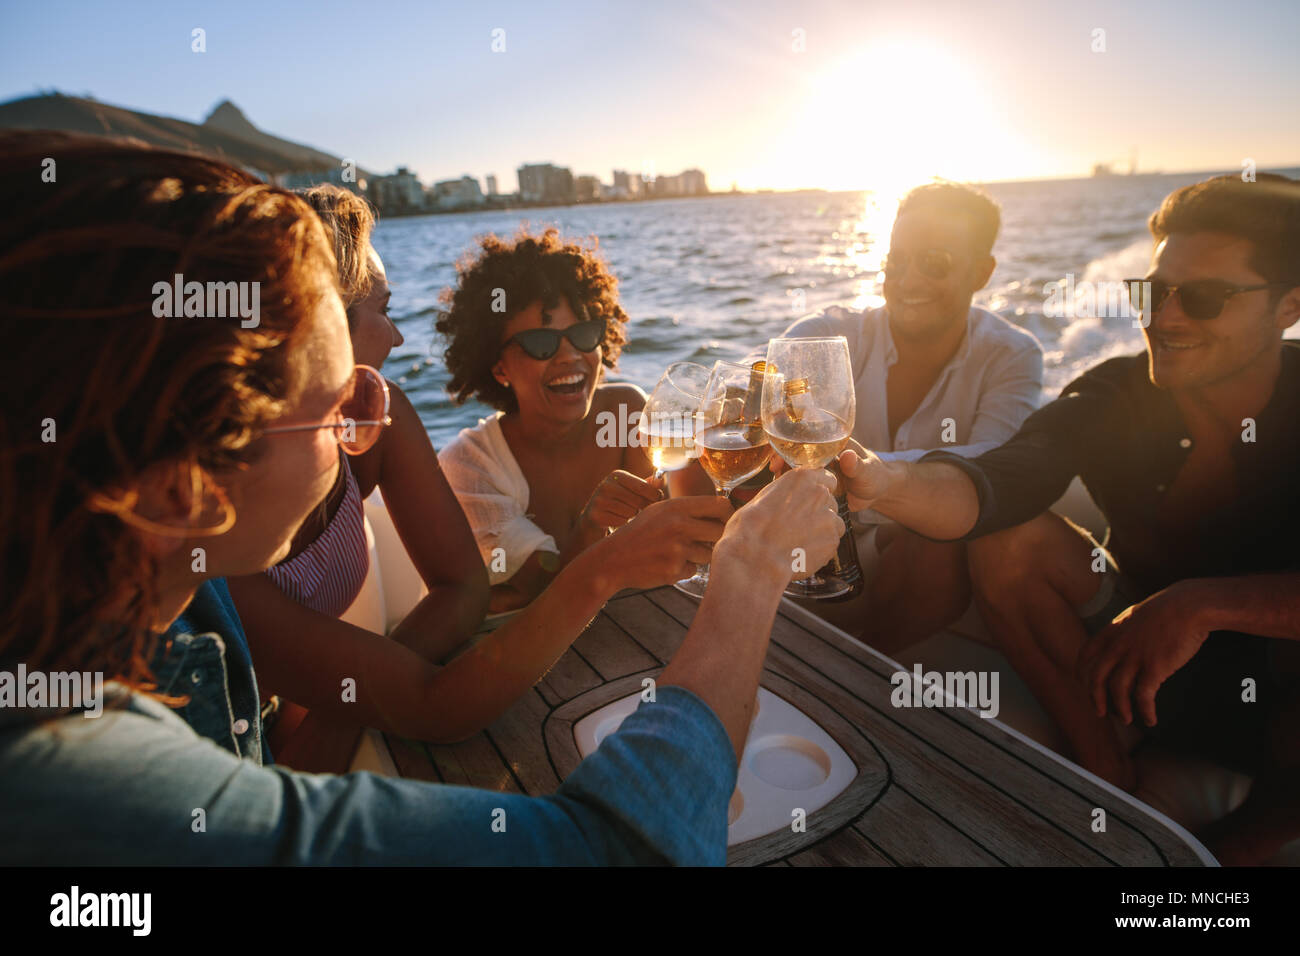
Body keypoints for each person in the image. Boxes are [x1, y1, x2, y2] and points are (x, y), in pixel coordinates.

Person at [0, 132, 845, 865]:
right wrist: (753, 565)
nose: (376, 418)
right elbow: (623, 853)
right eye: (343, 409)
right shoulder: (82, 792)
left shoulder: (163, 602)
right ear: (188, 485)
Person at [831, 173, 1300, 865]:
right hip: (1148, 672)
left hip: (1278, 687)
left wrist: (1202, 605)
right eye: (1151, 292)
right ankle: (1109, 780)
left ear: (1288, 306)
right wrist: (876, 477)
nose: (1164, 319)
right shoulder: (1117, 396)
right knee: (1007, 539)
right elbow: (1005, 478)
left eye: (1202, 299)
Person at [225, 184, 490, 769]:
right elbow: (433, 706)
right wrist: (598, 576)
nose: (397, 336)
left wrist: (351, 697)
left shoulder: (370, 421)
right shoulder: (217, 517)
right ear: (324, 329)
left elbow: (465, 586)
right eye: (385, 311)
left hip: (290, 714)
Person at [720, 182, 1043, 649]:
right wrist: (745, 395)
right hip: (804, 548)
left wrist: (874, 472)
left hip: (915, 567)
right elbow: (754, 377)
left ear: (982, 272)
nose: (909, 280)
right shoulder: (830, 333)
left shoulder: (1011, 355)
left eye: (935, 262)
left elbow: (993, 461)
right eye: (896, 261)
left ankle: (858, 677)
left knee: (939, 543)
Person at [437, 229, 664, 612]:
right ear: (499, 367)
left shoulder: (627, 413)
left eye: (583, 333)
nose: (569, 356)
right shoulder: (470, 466)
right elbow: (544, 590)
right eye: (541, 343)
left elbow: (655, 546)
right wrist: (590, 528)